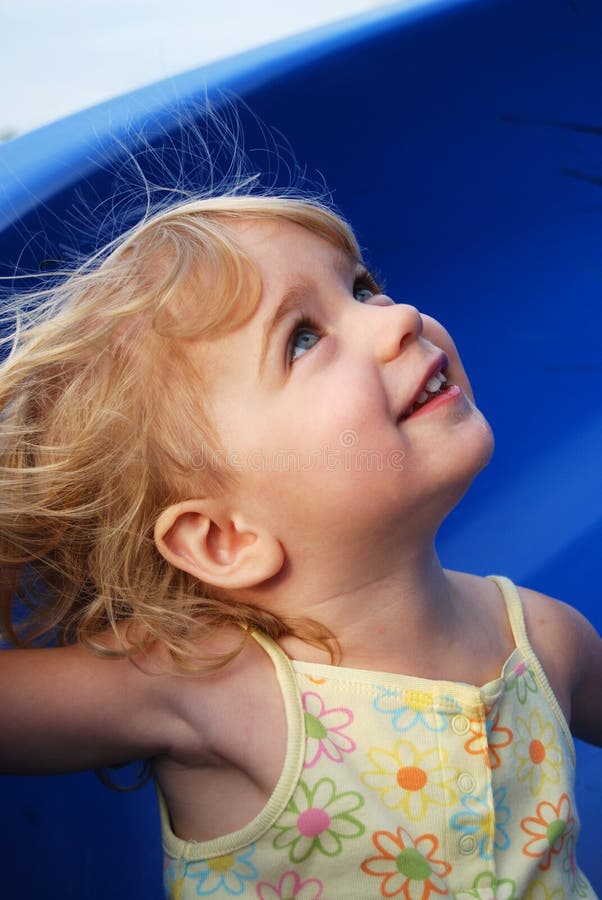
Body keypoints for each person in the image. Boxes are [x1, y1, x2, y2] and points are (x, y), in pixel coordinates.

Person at [0, 191, 600, 899]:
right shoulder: (205, 686)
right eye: (303, 338)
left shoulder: (545, 638)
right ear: (224, 537)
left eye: (362, 287)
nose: (400, 317)